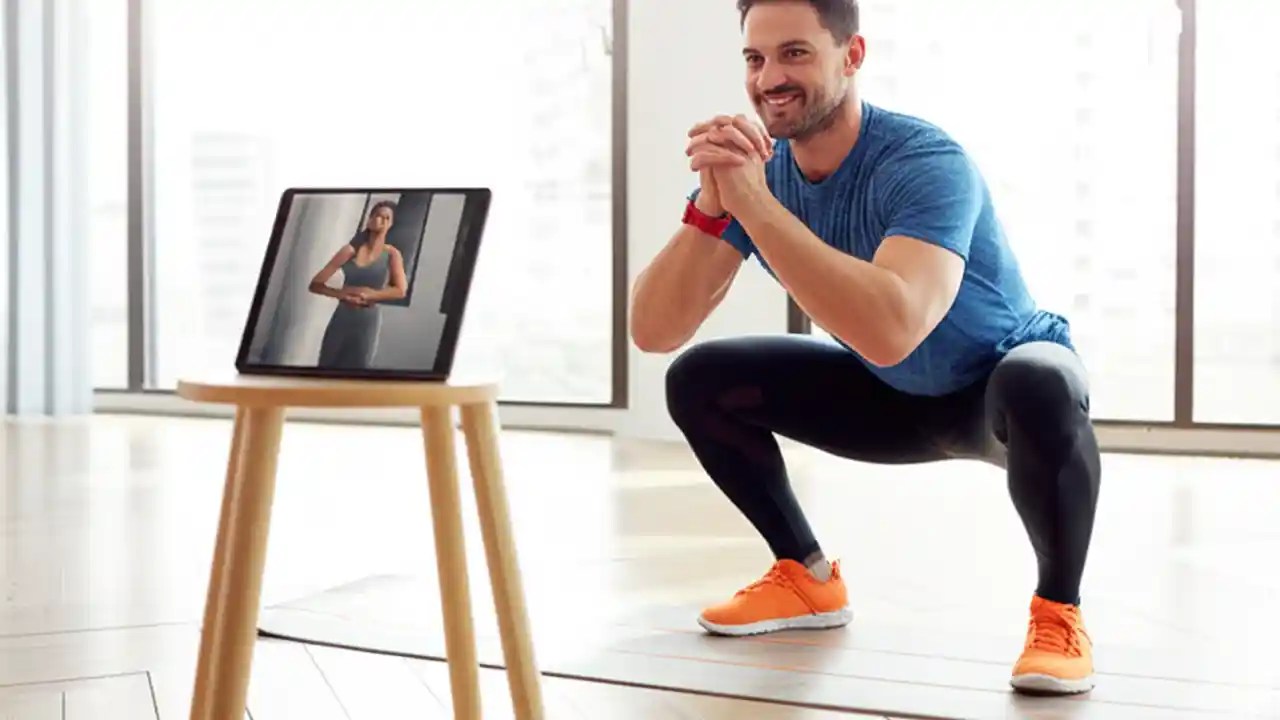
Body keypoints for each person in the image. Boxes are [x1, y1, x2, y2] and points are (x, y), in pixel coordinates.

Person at [628, 0, 1101, 697]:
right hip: (890, 396)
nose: (769, 79)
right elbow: (653, 331)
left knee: (1043, 382)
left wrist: (754, 204)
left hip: (995, 393)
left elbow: (893, 327)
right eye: (755, 58)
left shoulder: (924, 162)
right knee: (698, 377)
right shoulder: (762, 177)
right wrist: (713, 205)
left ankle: (1059, 614)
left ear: (851, 56)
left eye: (795, 53)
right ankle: (806, 577)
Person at [309, 200, 408, 369]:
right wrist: (342, 294)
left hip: (368, 320)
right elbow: (316, 284)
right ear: (370, 219)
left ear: (391, 224)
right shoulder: (349, 250)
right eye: (378, 216)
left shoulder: (392, 254)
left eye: (387, 218)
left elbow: (400, 290)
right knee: (328, 364)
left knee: (360, 365)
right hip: (343, 316)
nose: (382, 221)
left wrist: (371, 294)